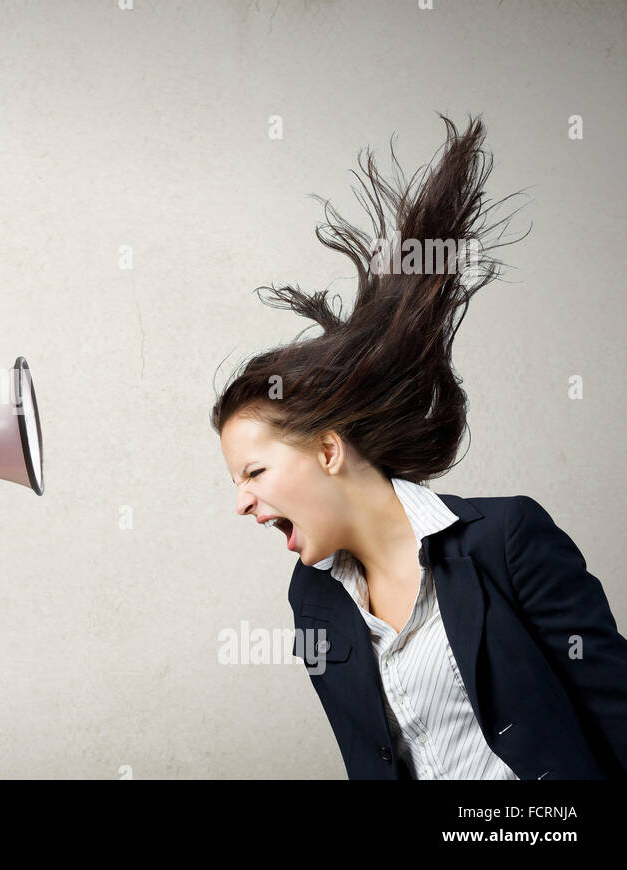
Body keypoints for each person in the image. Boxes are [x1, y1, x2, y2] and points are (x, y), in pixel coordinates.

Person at [213, 114, 627, 779]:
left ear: (326, 452)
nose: (242, 502)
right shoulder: (314, 598)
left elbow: (615, 710)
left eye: (254, 471)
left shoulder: (506, 538)